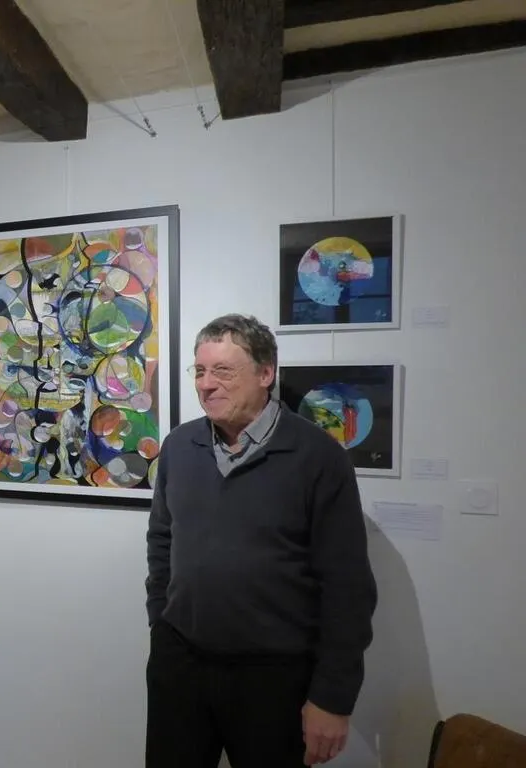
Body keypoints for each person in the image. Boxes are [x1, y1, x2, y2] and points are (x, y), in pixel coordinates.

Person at [145, 314, 377, 767]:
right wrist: (161, 621)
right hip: (181, 666)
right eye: (200, 371)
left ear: (266, 373)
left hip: (274, 679)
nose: (206, 385)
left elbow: (347, 586)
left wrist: (333, 696)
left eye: (223, 371)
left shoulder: (317, 456)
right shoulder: (179, 445)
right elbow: (161, 539)